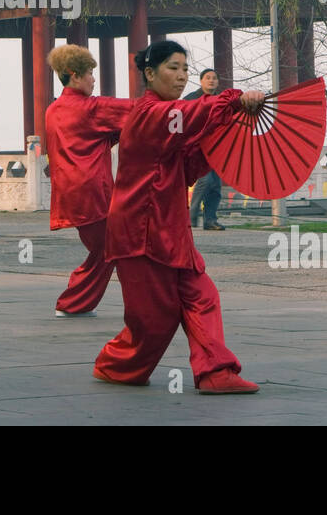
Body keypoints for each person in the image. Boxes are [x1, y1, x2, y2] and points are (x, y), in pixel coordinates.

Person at [94, 40, 266, 395]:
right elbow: (187, 116)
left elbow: (185, 166)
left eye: (186, 69)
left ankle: (216, 371)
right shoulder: (148, 114)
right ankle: (113, 365)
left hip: (170, 229)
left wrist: (222, 131)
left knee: (204, 297)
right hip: (140, 232)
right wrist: (232, 99)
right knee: (154, 323)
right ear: (150, 73)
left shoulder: (168, 119)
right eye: (173, 68)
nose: (182, 76)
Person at [44, 44, 131, 317]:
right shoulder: (90, 108)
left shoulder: (53, 110)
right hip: (94, 192)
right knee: (114, 247)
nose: (94, 79)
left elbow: (90, 138)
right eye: (90, 73)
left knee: (107, 249)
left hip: (68, 194)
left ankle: (75, 303)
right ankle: (71, 303)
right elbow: (138, 111)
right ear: (74, 74)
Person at [185, 69, 226, 231]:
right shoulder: (191, 99)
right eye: (208, 78)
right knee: (205, 181)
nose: (211, 81)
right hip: (197, 148)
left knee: (215, 185)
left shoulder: (222, 100)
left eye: (214, 78)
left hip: (215, 148)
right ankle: (191, 217)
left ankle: (210, 220)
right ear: (201, 81)